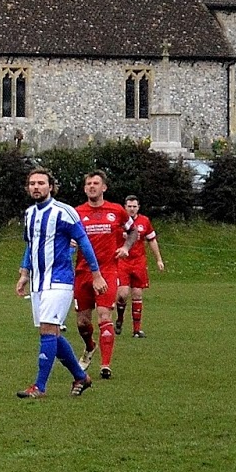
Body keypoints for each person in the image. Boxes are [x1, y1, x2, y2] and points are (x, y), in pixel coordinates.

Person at [14, 168, 105, 399]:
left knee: (47, 330)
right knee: (51, 333)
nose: (36, 187)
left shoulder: (65, 212)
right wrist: (24, 274)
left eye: (41, 183)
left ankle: (40, 387)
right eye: (32, 183)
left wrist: (96, 274)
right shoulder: (29, 214)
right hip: (38, 282)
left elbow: (83, 241)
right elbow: (30, 245)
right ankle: (81, 376)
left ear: (51, 187)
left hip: (60, 280)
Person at [73, 171, 131, 379]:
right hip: (82, 272)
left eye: (96, 183)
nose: (91, 186)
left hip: (107, 270)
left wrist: (125, 246)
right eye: (88, 183)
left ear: (104, 188)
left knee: (104, 316)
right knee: (82, 323)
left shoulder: (116, 211)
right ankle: (90, 347)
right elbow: (67, 236)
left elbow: (133, 231)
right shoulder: (77, 212)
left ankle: (105, 365)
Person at [116, 195, 165, 337]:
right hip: (122, 261)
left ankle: (136, 330)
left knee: (137, 294)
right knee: (122, 294)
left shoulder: (144, 221)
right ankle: (119, 319)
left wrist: (159, 260)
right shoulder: (119, 221)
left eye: (134, 206)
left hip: (138, 262)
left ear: (138, 207)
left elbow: (152, 240)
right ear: (125, 207)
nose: (131, 209)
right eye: (129, 206)